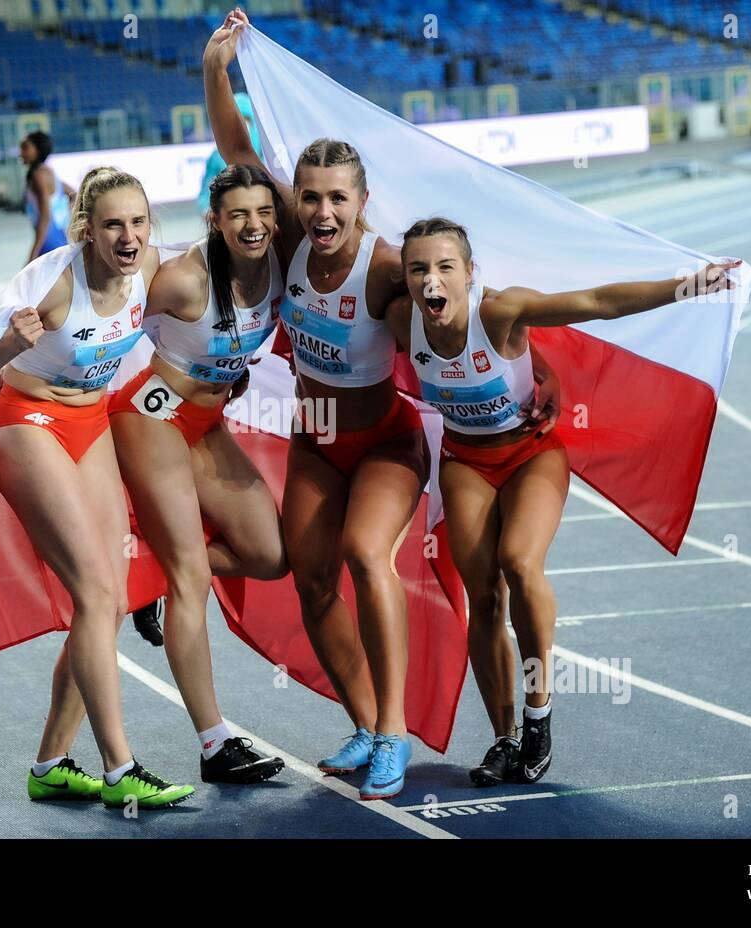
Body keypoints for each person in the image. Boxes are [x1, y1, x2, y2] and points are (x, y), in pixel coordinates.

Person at [202, 10, 560, 801]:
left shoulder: (391, 267)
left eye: (338, 199)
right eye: (310, 198)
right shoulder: (289, 240)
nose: (322, 213)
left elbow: (476, 305)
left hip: (386, 443)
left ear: (363, 202)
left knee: (368, 557)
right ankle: (365, 723)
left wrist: (544, 376)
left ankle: (393, 732)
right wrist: (215, 69)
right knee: (311, 580)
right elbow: (236, 149)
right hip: (316, 438)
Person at [385, 217, 737, 785]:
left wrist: (688, 285)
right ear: (403, 277)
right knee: (483, 598)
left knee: (520, 563)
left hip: (531, 455)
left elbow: (597, 301)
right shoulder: (401, 319)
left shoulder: (497, 313)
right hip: (464, 460)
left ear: (471, 274)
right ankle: (503, 741)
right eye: (419, 268)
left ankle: (538, 715)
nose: (432, 280)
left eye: (446, 267)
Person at [0, 166, 195, 809]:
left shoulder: (153, 269)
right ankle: (119, 766)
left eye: (137, 222)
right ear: (88, 230)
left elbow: (225, 280)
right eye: (112, 225)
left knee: (111, 598)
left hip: (91, 419)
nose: (128, 237)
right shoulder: (54, 288)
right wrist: (3, 345)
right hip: (29, 422)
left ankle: (50, 763)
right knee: (96, 591)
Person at [109, 163, 288, 784]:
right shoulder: (183, 279)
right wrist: (16, 360)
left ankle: (153, 570)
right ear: (214, 220)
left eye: (263, 212)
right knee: (192, 579)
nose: (253, 225)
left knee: (269, 553)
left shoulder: (282, 267)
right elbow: (102, 300)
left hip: (206, 424)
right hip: (151, 419)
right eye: (237, 213)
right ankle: (215, 745)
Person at [20, 131, 75, 264]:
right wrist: (64, 217)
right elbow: (74, 194)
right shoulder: (46, 172)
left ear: (38, 150)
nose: (21, 152)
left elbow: (45, 216)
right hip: (58, 237)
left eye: (25, 148)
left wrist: (34, 252)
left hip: (49, 240)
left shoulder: (39, 176)